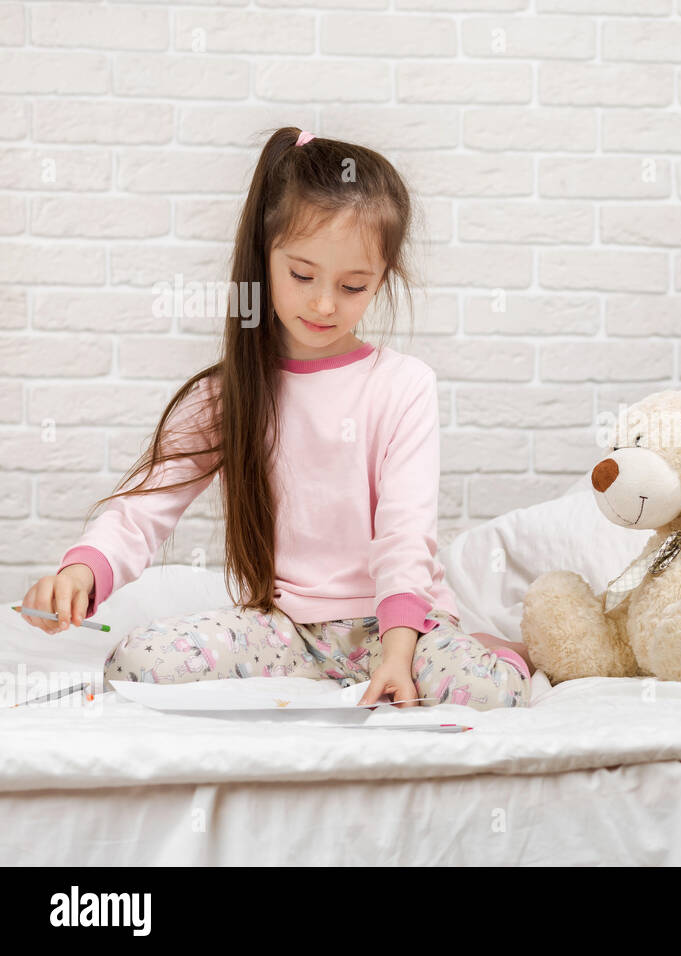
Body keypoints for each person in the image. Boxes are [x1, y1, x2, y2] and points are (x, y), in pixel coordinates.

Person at [17, 127, 531, 711]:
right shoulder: (227, 394)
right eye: (302, 275)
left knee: (494, 691)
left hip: (395, 625)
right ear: (264, 258)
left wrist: (396, 651)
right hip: (284, 631)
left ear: (383, 277)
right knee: (134, 665)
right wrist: (82, 572)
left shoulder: (403, 384)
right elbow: (142, 509)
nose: (323, 304)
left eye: (353, 285)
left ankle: (497, 646)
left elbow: (404, 533)